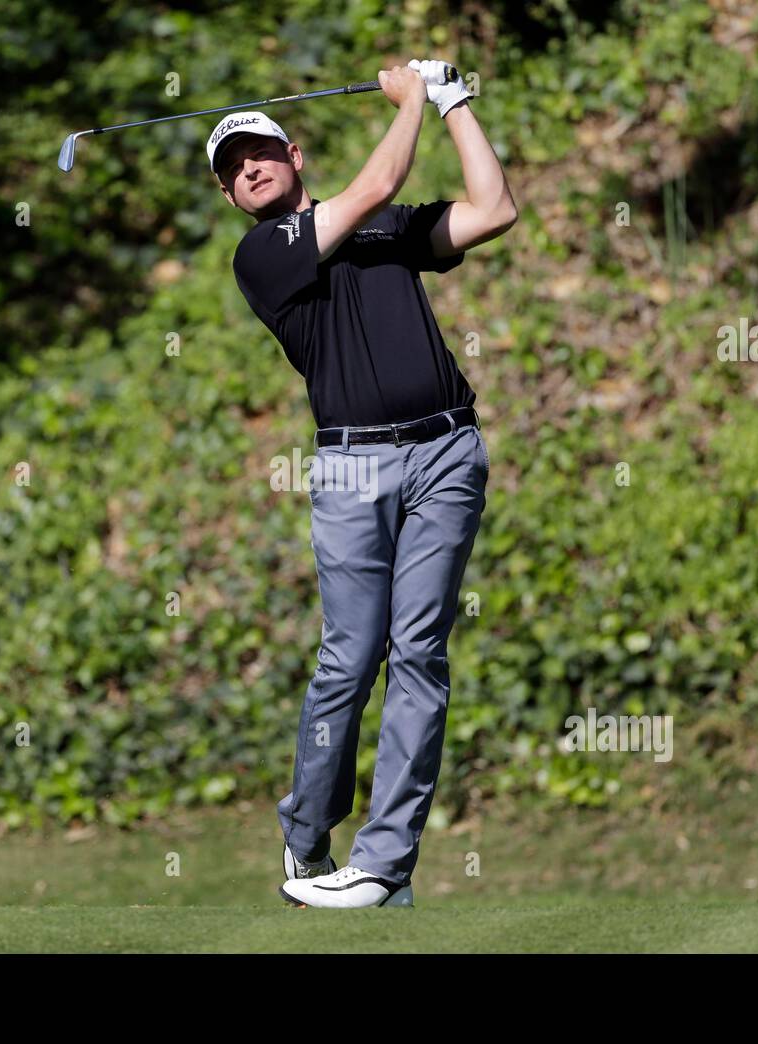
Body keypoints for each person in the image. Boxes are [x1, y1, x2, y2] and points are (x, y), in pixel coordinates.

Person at [208, 60, 517, 908]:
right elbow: (379, 178)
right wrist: (410, 95)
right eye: (232, 169)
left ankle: (383, 866)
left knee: (419, 653)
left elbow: (495, 209)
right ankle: (306, 839)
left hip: (446, 455)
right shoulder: (262, 257)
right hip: (351, 468)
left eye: (260, 152)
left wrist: (452, 105)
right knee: (350, 658)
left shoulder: (381, 233)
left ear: (295, 153)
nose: (249, 170)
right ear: (232, 196)